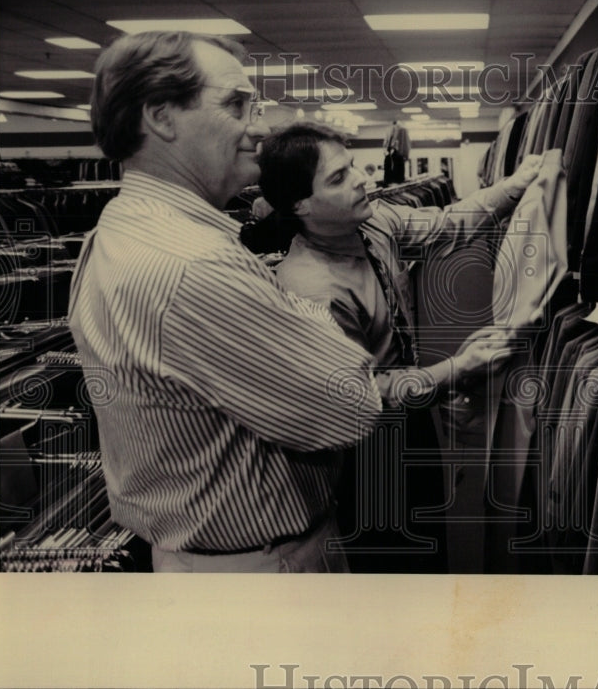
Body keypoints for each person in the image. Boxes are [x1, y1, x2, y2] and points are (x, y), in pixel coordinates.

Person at [67, 31, 386, 573]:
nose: (258, 127)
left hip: (197, 559)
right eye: (236, 105)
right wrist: (300, 304)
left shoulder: (117, 227)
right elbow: (351, 406)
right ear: (161, 117)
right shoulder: (197, 264)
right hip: (262, 572)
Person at [253, 122, 541, 571]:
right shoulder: (312, 290)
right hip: (365, 454)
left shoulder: (373, 223)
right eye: (338, 178)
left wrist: (517, 185)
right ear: (299, 205)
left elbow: (449, 223)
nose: (361, 179)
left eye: (352, 167)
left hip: (411, 417)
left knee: (429, 544)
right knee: (392, 564)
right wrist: (459, 368)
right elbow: (361, 394)